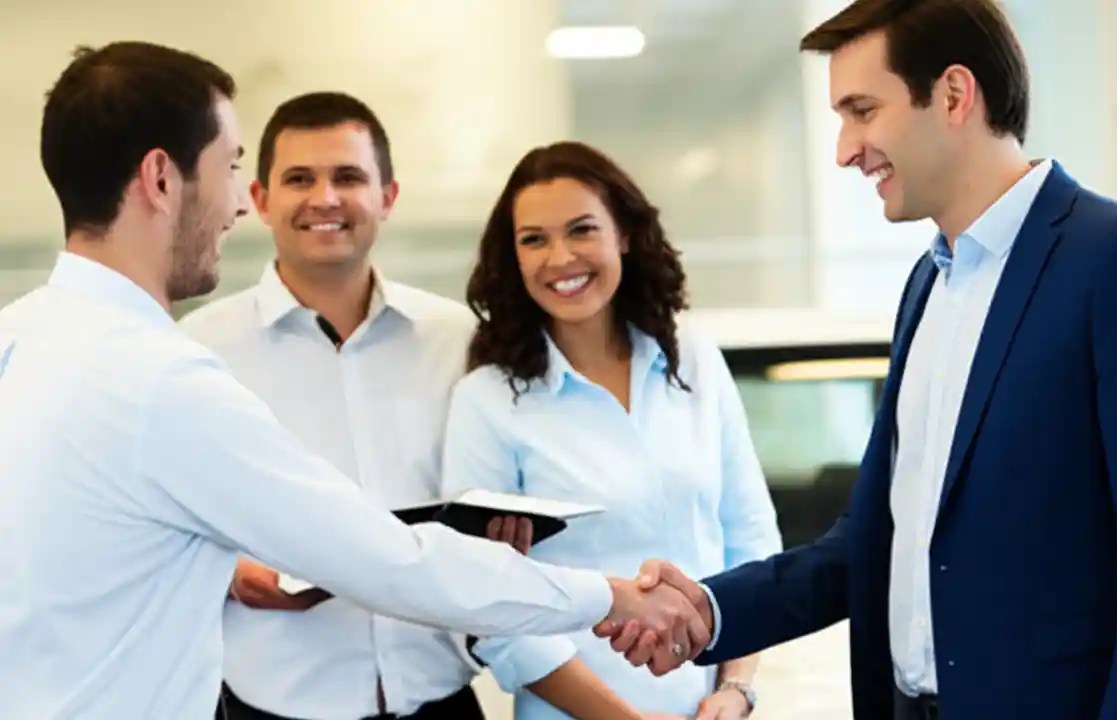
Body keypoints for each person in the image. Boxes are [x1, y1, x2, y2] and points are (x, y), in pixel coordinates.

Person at [0, 42, 707, 719]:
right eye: (231, 168)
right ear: (161, 179)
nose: (239, 208)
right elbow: (386, 561)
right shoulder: (164, 379)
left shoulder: (18, 337)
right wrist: (609, 596)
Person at [614, 1, 1117, 718]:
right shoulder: (928, 282)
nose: (846, 149)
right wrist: (708, 609)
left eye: (862, 111)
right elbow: (877, 536)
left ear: (953, 95)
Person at [181, 93, 652, 720]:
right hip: (275, 704)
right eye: (301, 179)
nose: (326, 198)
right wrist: (228, 570)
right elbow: (161, 521)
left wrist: (503, 534)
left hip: (443, 701)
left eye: (348, 177)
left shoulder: (460, 339)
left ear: (388, 197)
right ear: (263, 200)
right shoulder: (200, 352)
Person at [441, 141, 782, 720]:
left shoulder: (693, 358)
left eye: (581, 230)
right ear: (513, 258)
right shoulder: (489, 400)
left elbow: (749, 542)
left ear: (623, 234)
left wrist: (735, 690)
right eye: (534, 240)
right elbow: (488, 601)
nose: (560, 257)